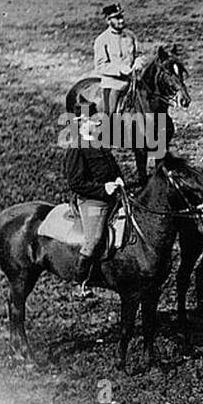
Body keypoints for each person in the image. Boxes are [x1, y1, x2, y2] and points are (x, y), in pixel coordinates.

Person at [62, 111, 126, 297]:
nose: (97, 123)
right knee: (94, 239)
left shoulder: (98, 142)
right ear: (82, 124)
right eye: (92, 121)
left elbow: (112, 168)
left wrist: (118, 179)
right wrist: (103, 189)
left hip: (112, 194)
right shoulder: (76, 147)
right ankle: (79, 283)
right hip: (92, 200)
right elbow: (75, 183)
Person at [93, 2, 141, 115]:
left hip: (133, 82)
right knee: (111, 115)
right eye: (117, 18)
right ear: (108, 21)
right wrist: (120, 70)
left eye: (122, 17)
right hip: (113, 84)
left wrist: (138, 63)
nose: (121, 21)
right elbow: (100, 66)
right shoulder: (102, 40)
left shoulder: (130, 36)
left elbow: (138, 55)